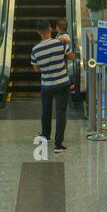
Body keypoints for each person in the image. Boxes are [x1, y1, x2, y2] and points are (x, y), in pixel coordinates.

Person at [31, 19, 75, 153]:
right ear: (50, 28)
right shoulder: (60, 43)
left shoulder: (35, 50)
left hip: (47, 84)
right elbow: (72, 57)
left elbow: (36, 69)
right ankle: (58, 145)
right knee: (61, 113)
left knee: (46, 111)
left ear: (38, 32)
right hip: (62, 83)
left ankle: (45, 135)